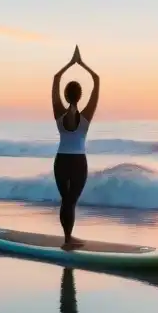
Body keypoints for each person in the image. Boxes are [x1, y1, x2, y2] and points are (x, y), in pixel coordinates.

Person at [51, 46, 100, 249]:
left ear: (65, 94)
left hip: (61, 160)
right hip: (78, 162)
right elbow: (97, 80)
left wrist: (70, 64)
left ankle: (67, 238)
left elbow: (55, 78)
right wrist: (82, 64)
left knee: (66, 201)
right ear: (80, 96)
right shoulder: (86, 116)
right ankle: (68, 240)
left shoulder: (58, 114)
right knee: (72, 201)